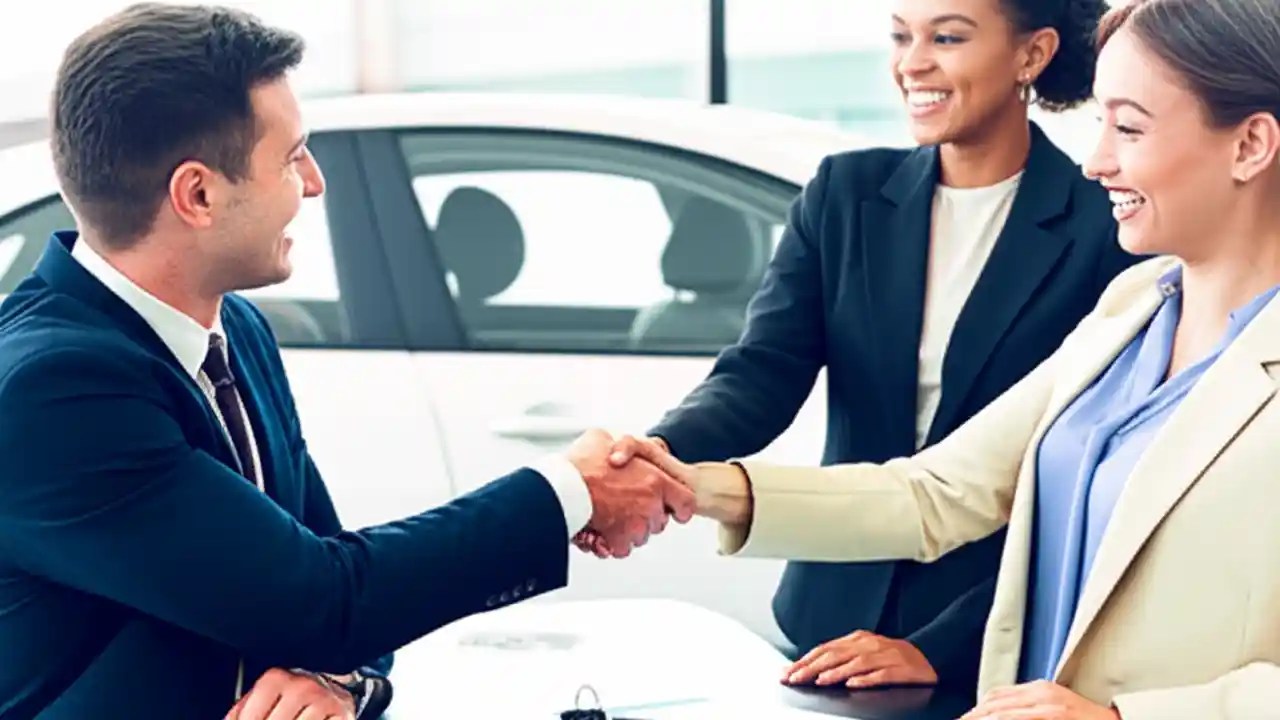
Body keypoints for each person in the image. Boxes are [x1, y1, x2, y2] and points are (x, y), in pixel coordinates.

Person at [0, 5, 692, 719]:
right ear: (198, 194)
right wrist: (569, 492)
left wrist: (345, 684)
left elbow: (338, 587)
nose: (314, 182)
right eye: (291, 157)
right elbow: (328, 601)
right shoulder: (51, 393)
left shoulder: (236, 330)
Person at [614, 0, 1280, 715]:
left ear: (1249, 145)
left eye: (1129, 128)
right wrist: (688, 483)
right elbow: (935, 493)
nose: (1096, 161)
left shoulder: (1117, 270)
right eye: (1100, 124)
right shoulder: (1133, 309)